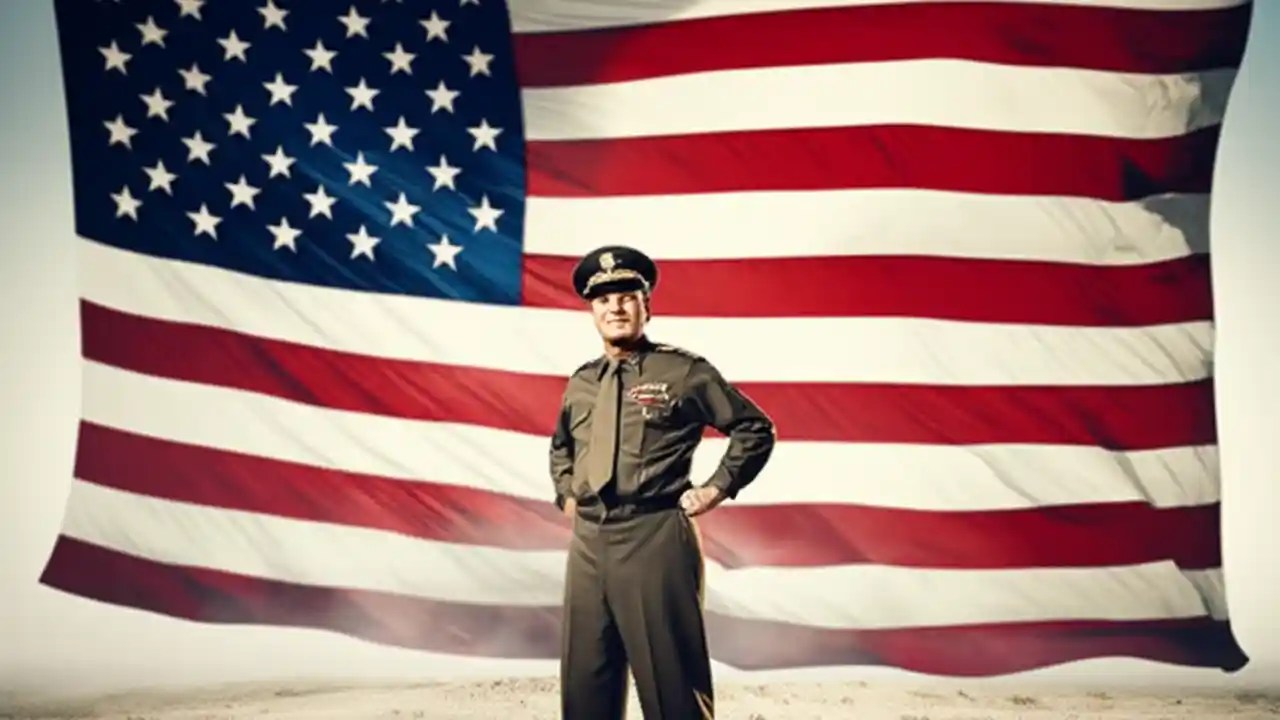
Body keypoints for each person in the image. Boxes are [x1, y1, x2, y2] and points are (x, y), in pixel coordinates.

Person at [549, 244, 777, 720]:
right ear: (592, 311)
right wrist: (568, 492)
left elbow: (753, 428)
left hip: (654, 536)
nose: (615, 307)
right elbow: (562, 446)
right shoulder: (582, 381)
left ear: (646, 305)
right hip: (590, 542)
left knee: (671, 683)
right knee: (585, 683)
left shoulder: (683, 371)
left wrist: (717, 487)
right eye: (603, 300)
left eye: (626, 296)